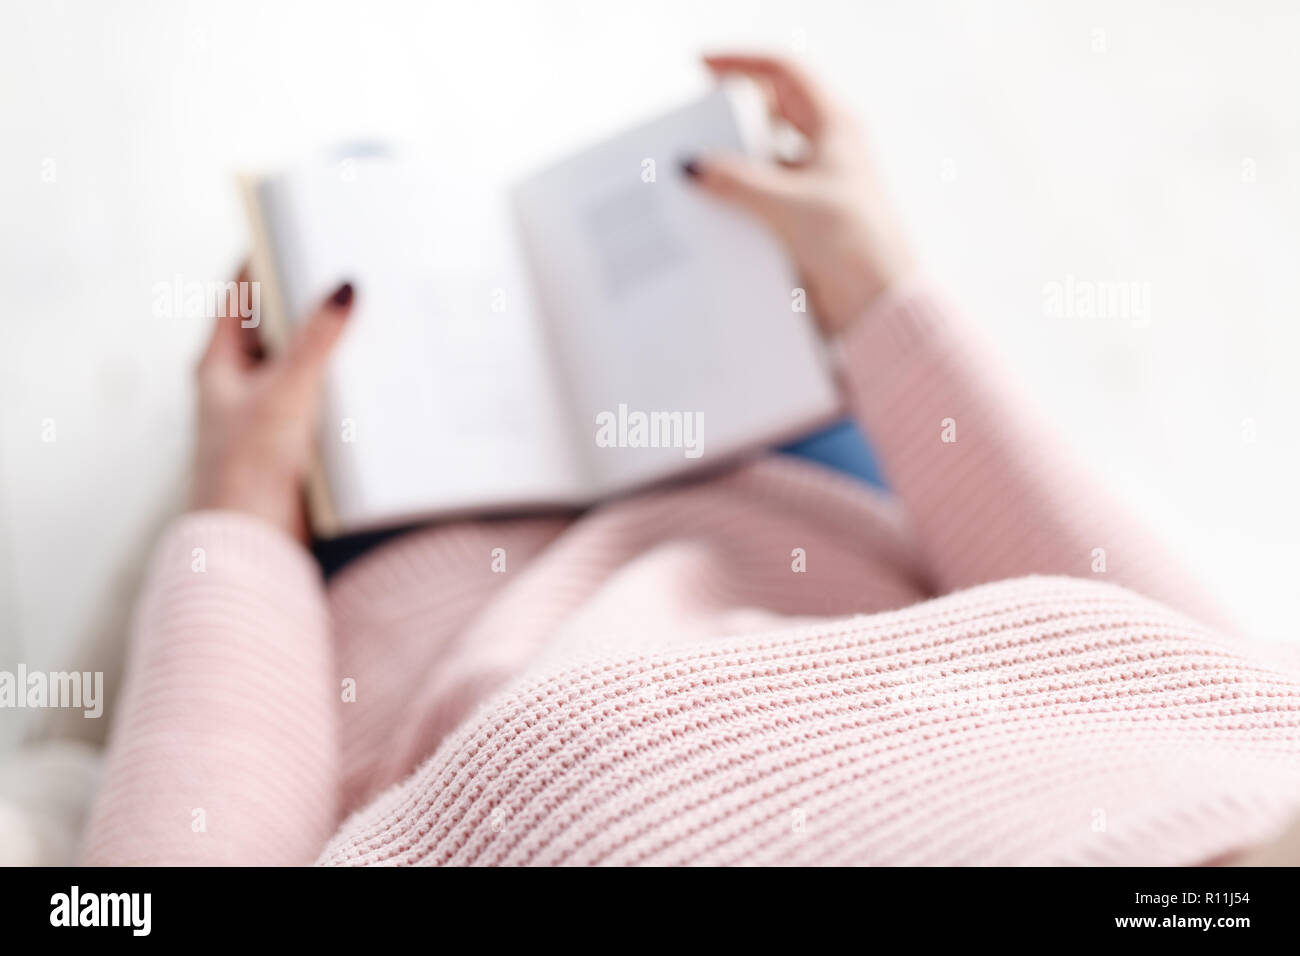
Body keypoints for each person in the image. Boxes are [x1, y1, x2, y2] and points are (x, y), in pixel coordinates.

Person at [82, 54, 1300, 866]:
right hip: (820, 515)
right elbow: (1193, 673)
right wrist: (882, 294)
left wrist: (237, 512)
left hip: (436, 595)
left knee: (349, 191)